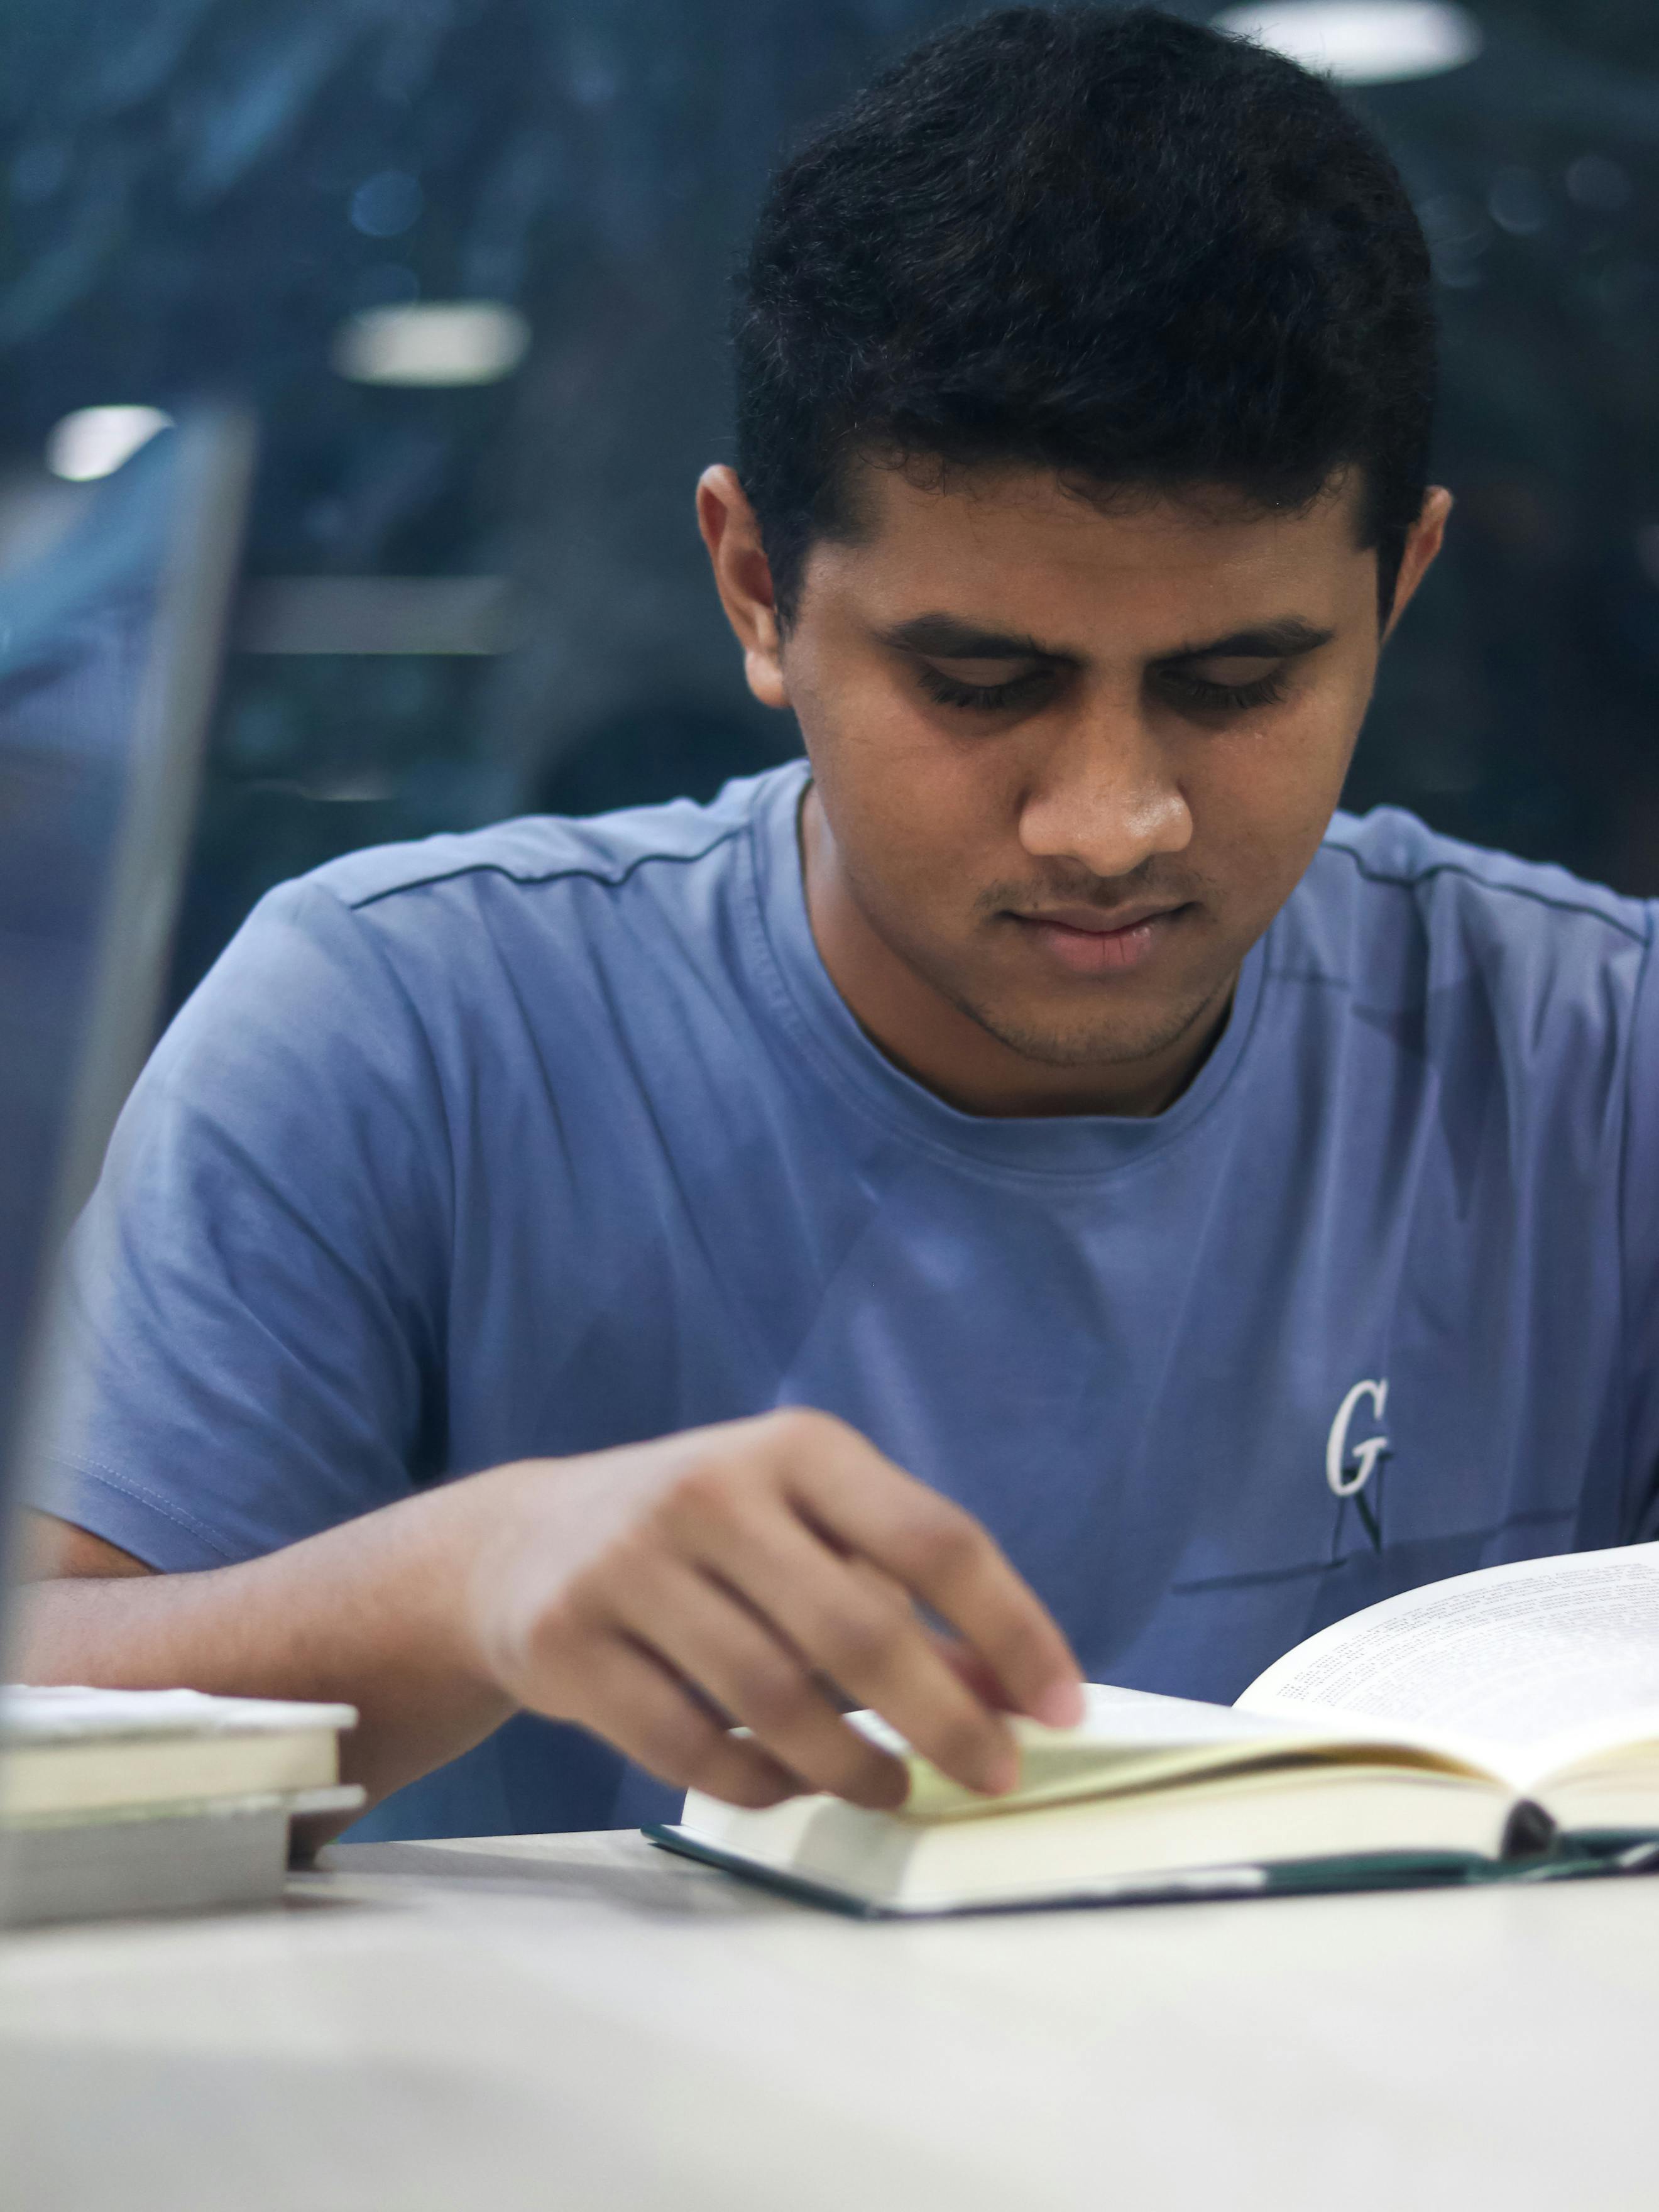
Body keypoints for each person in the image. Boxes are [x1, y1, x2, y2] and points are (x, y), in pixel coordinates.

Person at [19, 5, 1659, 1844]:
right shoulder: (406, 1033)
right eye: (978, 683)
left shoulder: (1601, 1066)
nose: (1110, 821)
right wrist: (459, 1584)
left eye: (1238, 683)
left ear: (1400, 585)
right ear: (756, 589)